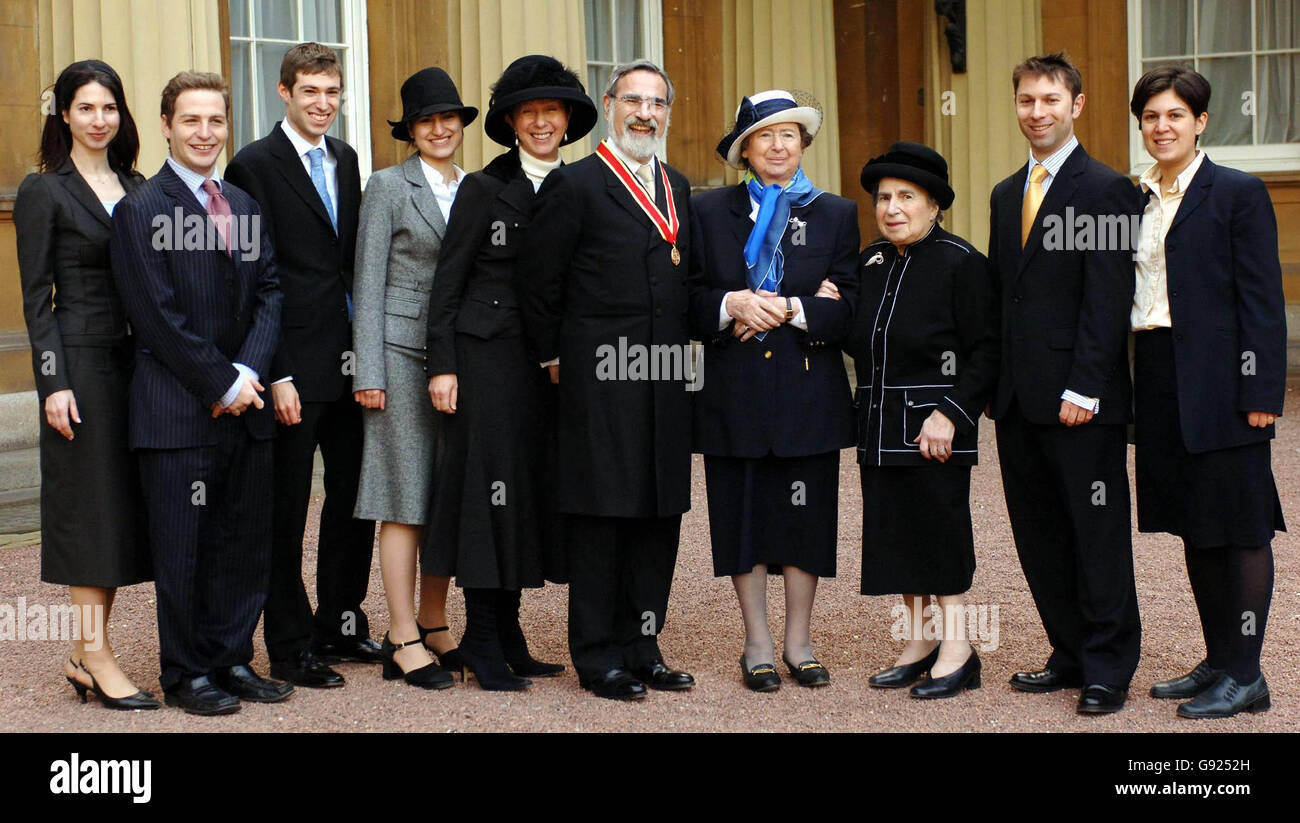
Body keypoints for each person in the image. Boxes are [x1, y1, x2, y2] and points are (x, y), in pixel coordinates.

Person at [111, 71, 288, 715]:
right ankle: (187, 674)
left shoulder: (242, 206)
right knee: (185, 549)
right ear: (166, 126)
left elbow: (270, 290)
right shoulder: (141, 209)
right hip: (177, 413)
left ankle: (232, 658)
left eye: (215, 121)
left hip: (244, 407)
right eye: (191, 120)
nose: (205, 133)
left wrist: (246, 375)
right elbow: (154, 316)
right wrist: (220, 382)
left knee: (241, 542)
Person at [519, 59, 696, 701]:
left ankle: (643, 645)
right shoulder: (575, 185)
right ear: (610, 103)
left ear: (667, 113)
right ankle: (597, 655)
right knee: (601, 516)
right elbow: (539, 285)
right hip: (598, 379)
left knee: (658, 513)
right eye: (634, 100)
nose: (645, 113)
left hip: (668, 378)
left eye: (657, 103)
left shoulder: (677, 186)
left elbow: (691, 285)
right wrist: (552, 358)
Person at [424, 55, 596, 690]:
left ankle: (511, 634)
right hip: (485, 359)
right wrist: (442, 365)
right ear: (511, 122)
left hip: (549, 367)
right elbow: (448, 284)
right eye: (529, 112)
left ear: (568, 119)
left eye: (552, 111)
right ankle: (483, 639)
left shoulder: (584, 186)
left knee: (524, 493)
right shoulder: (482, 188)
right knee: (486, 497)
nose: (542, 122)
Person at [1128, 66, 1286, 719]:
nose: (1162, 127)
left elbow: (1262, 299)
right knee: (1196, 523)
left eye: (1174, 115)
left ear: (1201, 122)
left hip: (1225, 379)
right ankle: (1221, 659)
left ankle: (1247, 673)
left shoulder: (1237, 192)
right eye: (1151, 117)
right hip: (1160, 373)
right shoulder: (1134, 198)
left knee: (1241, 523)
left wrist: (1261, 388)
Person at [987, 53, 1143, 714]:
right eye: (1026, 100)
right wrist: (996, 388)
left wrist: (1086, 387)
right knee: (1040, 534)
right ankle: (1070, 649)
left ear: (1075, 105)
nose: (1037, 111)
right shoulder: (1003, 194)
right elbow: (1004, 296)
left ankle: (1108, 664)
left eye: (1050, 99)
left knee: (1096, 532)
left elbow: (1107, 300)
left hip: (1081, 401)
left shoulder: (1108, 190)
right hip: (1018, 399)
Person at [689, 90, 859, 692]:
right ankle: (756, 642)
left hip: (807, 391)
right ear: (745, 149)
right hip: (732, 389)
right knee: (741, 517)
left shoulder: (835, 212)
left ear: (804, 143)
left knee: (804, 519)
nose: (778, 145)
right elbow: (688, 299)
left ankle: (800, 642)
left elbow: (849, 311)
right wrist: (730, 305)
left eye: (789, 134)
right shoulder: (708, 211)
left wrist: (790, 309)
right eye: (765, 136)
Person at [225, 42, 380, 690]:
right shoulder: (252, 165)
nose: (323, 103)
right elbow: (250, 277)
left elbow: (347, 263)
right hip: (290, 368)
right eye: (310, 91)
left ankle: (340, 622)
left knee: (354, 501)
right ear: (284, 91)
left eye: (332, 92)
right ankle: (289, 646)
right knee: (285, 512)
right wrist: (278, 371)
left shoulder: (346, 161)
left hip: (349, 361)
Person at [15, 60, 156, 710]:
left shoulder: (137, 183)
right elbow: (36, 298)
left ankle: (81, 652)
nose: (99, 120)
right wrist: (52, 383)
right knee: (88, 507)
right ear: (64, 115)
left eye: (109, 108)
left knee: (121, 507)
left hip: (135, 366)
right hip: (77, 364)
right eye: (86, 108)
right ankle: (95, 652)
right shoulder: (44, 191)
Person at [844, 142, 998, 698]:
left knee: (938, 529)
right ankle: (919, 641)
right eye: (884, 197)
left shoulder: (963, 262)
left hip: (937, 426)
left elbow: (986, 350)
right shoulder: (871, 262)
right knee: (894, 533)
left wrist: (951, 415)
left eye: (906, 196)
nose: (892, 208)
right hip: (880, 423)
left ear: (934, 206)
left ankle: (958, 647)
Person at [352, 67, 477, 690]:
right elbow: (367, 283)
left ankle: (434, 620)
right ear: (411, 131)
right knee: (403, 497)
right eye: (427, 120)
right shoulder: (387, 186)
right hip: (399, 359)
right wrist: (367, 372)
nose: (439, 128)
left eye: (448, 118)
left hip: (460, 360)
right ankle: (400, 634)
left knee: (445, 495)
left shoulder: (474, 188)